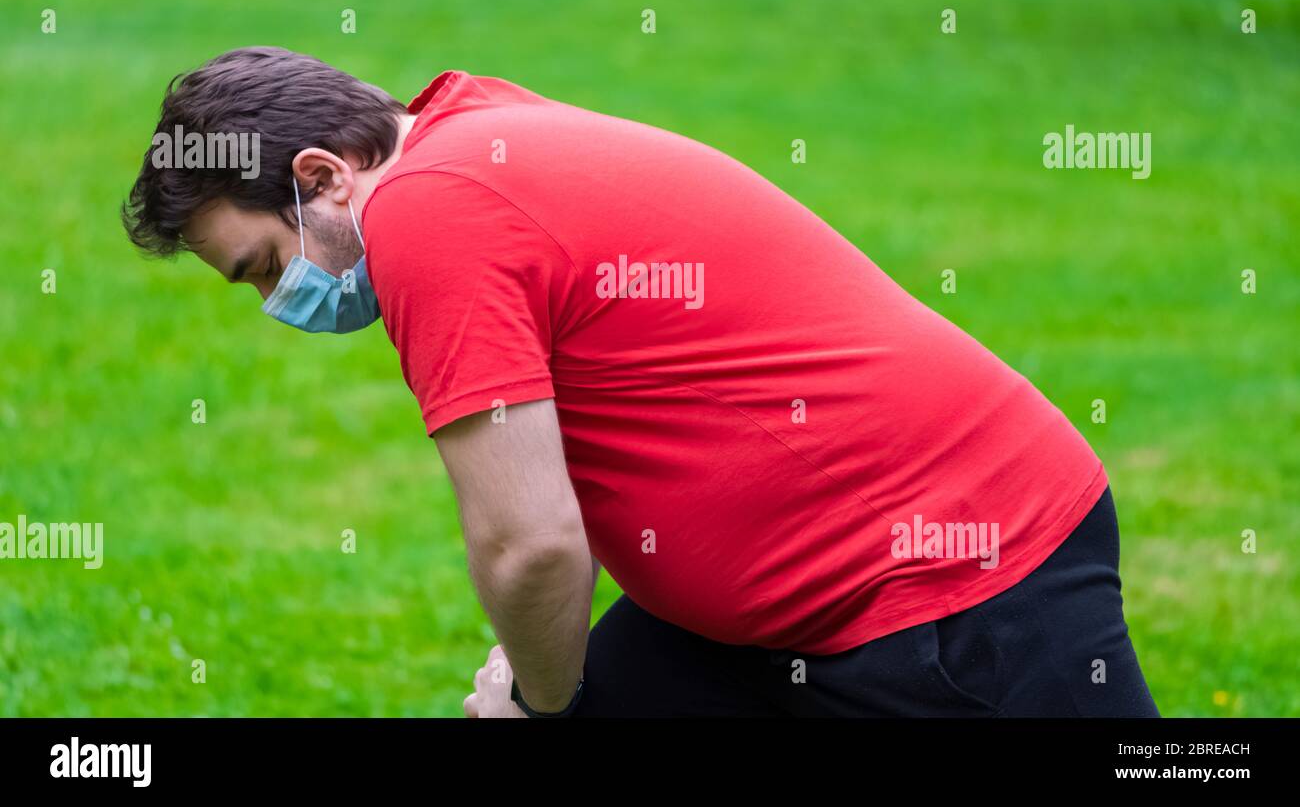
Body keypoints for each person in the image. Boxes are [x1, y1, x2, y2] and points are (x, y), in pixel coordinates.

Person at [122, 46, 1159, 717]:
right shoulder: (466, 128)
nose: (278, 300)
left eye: (265, 263)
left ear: (318, 176)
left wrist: (535, 697)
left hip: (954, 571)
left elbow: (529, 542)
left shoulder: (424, 217)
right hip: (789, 603)